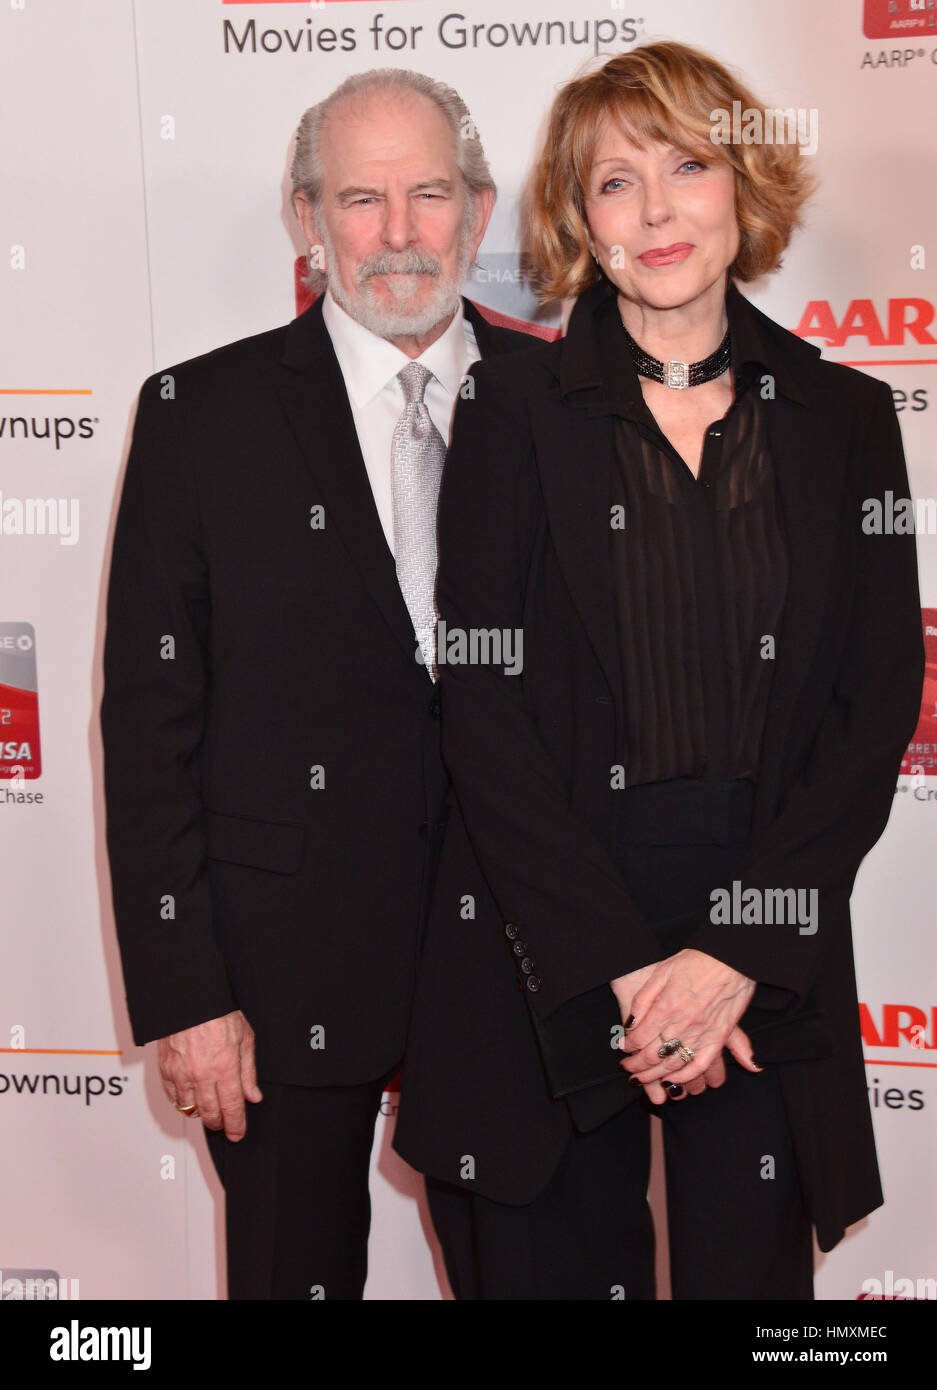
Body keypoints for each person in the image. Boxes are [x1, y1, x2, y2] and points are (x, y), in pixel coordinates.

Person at [394, 40, 925, 1300]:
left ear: (741, 183)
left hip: (762, 920)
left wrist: (730, 956)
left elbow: (874, 704)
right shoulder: (507, 415)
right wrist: (625, 972)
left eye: (685, 165)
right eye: (613, 182)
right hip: (557, 929)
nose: (655, 209)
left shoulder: (847, 418)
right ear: (582, 221)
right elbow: (480, 693)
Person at [100, 67, 538, 1300]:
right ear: (306, 217)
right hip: (277, 955)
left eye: (428, 194)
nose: (397, 234)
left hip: (519, 950)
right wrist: (186, 991)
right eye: (359, 198)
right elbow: (148, 725)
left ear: (480, 204)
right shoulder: (199, 415)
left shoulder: (562, 403)